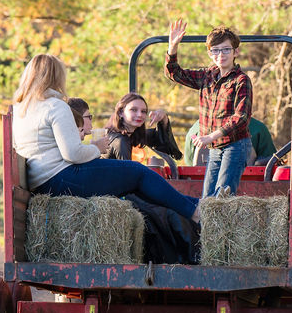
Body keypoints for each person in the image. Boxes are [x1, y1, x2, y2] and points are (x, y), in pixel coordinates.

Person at [11, 54, 200, 222]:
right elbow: (72, 154)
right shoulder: (55, 106)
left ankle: (196, 206)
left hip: (41, 181)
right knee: (138, 171)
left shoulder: (21, 109)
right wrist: (96, 148)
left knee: (134, 180)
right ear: (55, 77)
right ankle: (195, 211)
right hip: (60, 177)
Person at [165, 20, 253, 197]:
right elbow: (174, 73)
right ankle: (205, 225)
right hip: (214, 148)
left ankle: (223, 223)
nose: (221, 54)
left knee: (222, 195)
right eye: (216, 50)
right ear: (210, 53)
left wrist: (211, 136)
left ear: (235, 52)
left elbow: (241, 117)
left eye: (226, 49)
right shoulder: (207, 76)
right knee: (208, 198)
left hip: (235, 146)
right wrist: (173, 47)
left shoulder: (241, 80)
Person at [104, 92, 183, 164]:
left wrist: (164, 118)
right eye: (133, 110)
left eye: (143, 111)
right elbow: (127, 175)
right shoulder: (120, 140)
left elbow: (161, 139)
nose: (139, 115)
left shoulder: (134, 134)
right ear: (121, 112)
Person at [185, 117, 276, 166]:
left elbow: (189, 164)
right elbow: (270, 163)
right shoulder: (258, 128)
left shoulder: (195, 129)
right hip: (245, 191)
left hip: (202, 189)